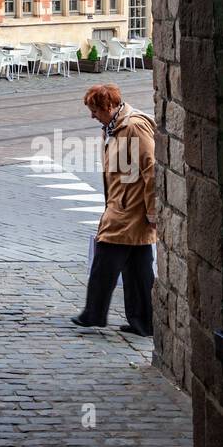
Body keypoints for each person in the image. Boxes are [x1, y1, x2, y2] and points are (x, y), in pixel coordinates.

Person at [72, 82, 156, 336]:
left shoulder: (133, 127)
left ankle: (93, 313)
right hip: (122, 205)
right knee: (138, 269)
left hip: (130, 211)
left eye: (95, 110)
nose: (92, 115)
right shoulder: (112, 127)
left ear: (108, 107)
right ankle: (143, 322)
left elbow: (151, 169)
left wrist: (153, 211)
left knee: (105, 257)